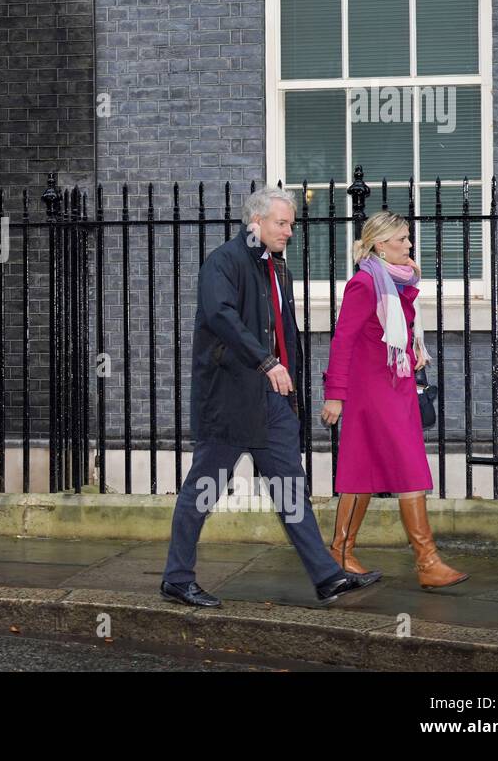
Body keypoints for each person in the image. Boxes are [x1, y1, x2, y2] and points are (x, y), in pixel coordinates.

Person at [159, 186, 381, 606]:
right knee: (203, 489)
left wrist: (290, 390)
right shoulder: (223, 262)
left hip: (273, 405)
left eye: (292, 224)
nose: (289, 232)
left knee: (292, 489)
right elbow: (222, 318)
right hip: (228, 402)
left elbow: (286, 335)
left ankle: (326, 576)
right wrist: (266, 362)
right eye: (282, 223)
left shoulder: (277, 269)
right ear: (255, 222)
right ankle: (177, 577)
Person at [321, 211, 468, 589]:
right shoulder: (365, 284)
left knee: (364, 473)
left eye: (407, 238)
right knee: (408, 468)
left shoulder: (394, 282)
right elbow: (343, 342)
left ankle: (341, 551)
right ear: (381, 245)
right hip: (372, 394)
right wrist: (335, 396)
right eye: (401, 239)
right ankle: (427, 561)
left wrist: (414, 343)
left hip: (397, 388)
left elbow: (396, 332)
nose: (409, 244)